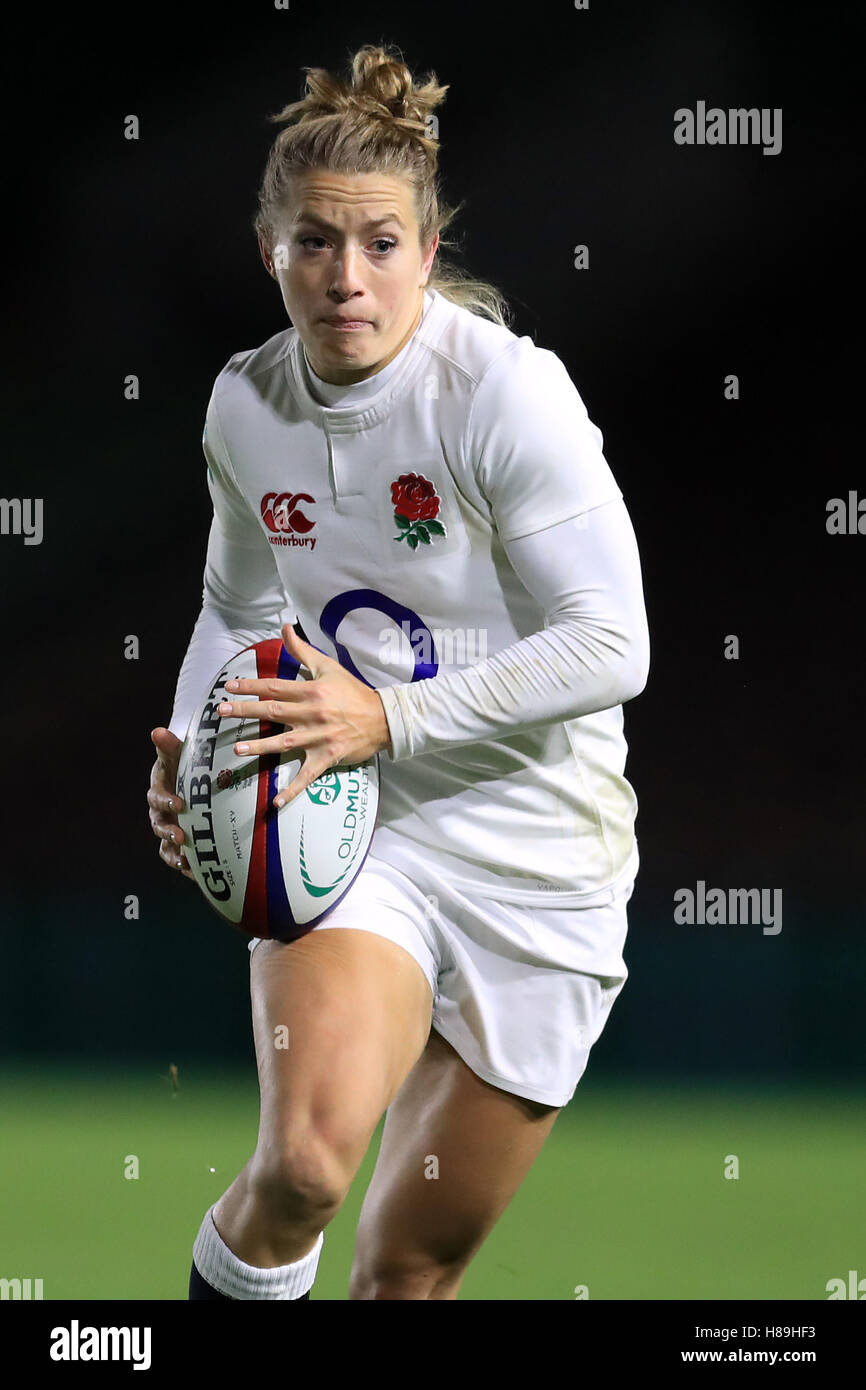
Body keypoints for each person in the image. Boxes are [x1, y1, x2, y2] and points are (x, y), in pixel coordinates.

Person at [146, 42, 650, 1301]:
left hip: (544, 858)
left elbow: (613, 643)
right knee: (307, 1165)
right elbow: (235, 605)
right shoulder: (243, 408)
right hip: (356, 820)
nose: (345, 277)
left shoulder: (505, 398)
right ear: (269, 248)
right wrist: (193, 744)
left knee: (407, 1270)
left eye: (379, 245)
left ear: (427, 253)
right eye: (314, 242)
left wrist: (388, 713)